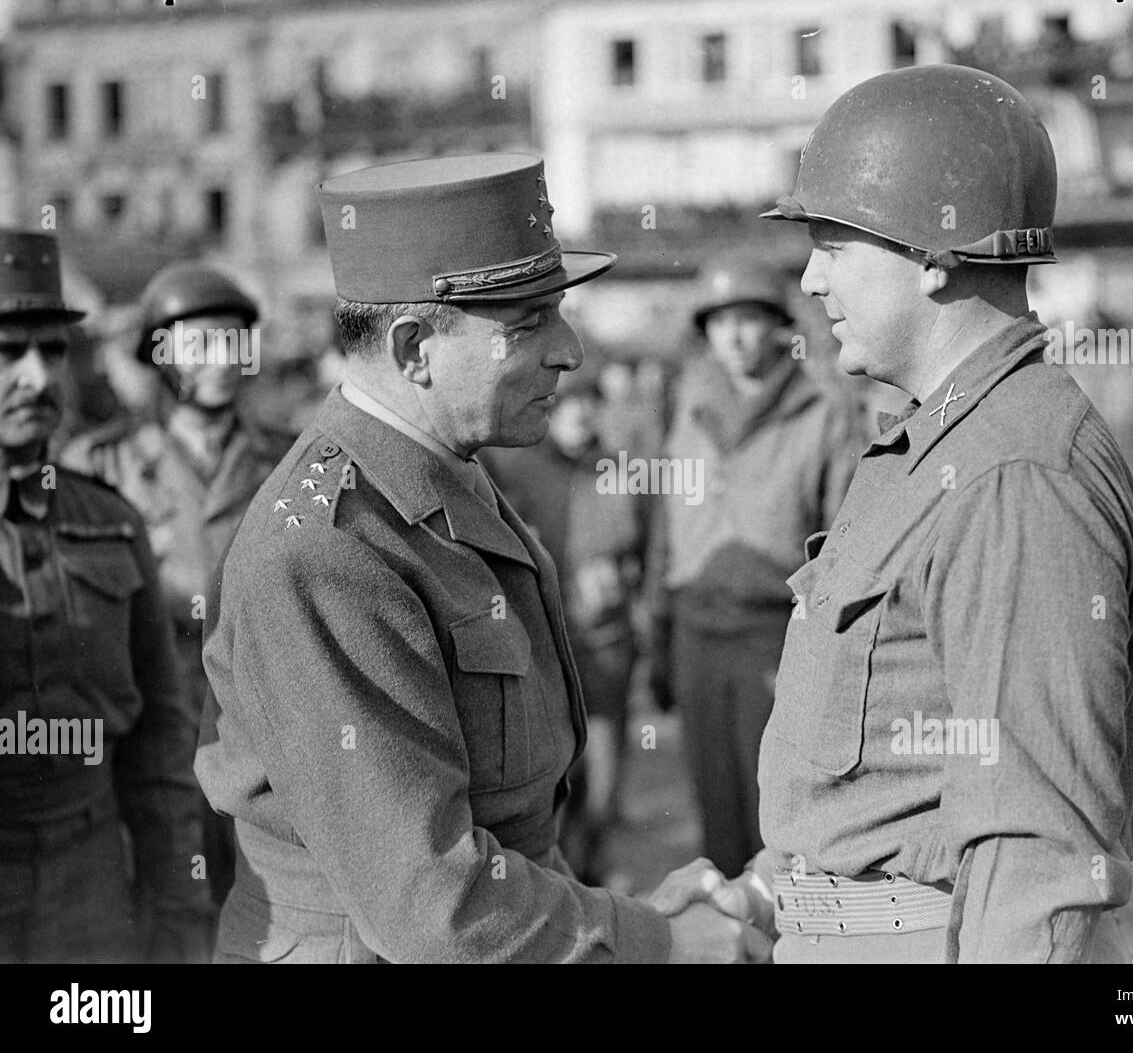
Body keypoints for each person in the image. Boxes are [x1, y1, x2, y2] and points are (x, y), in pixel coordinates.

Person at [194, 152, 770, 963]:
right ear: (413, 350)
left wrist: (618, 918)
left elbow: (511, 832)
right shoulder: (327, 550)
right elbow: (433, 904)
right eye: (526, 324)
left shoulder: (449, 473)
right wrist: (657, 941)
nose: (569, 351)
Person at [705, 65, 1133, 963]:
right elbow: (885, 780)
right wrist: (766, 893)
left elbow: (1039, 860)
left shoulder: (1017, 476)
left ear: (936, 257)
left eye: (834, 243)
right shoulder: (934, 445)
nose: (810, 277)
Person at [0, 228, 211, 963]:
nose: (37, 375)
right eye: (8, 353)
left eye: (52, 350)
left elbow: (157, 744)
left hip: (88, 884)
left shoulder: (109, 521)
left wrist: (179, 917)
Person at [61, 263, 294, 912]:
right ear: (160, 357)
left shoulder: (294, 462)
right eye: (200, 343)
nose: (221, 360)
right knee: (165, 899)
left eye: (234, 341)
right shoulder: (99, 465)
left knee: (269, 900)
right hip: (147, 717)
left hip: (264, 716)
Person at [648, 253, 855, 879]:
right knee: (715, 810)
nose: (733, 338)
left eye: (748, 319)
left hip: (776, 631)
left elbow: (844, 540)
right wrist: (657, 626)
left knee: (780, 811)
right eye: (719, 322)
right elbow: (668, 517)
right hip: (695, 628)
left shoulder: (824, 409)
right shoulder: (687, 399)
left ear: (778, 327)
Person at [485, 369, 646, 888]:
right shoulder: (515, 471)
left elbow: (648, 546)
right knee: (554, 776)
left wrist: (623, 579)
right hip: (545, 649)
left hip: (606, 648)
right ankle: (560, 882)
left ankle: (595, 872)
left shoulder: (622, 470)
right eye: (566, 403)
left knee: (603, 777)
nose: (579, 414)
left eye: (588, 402)